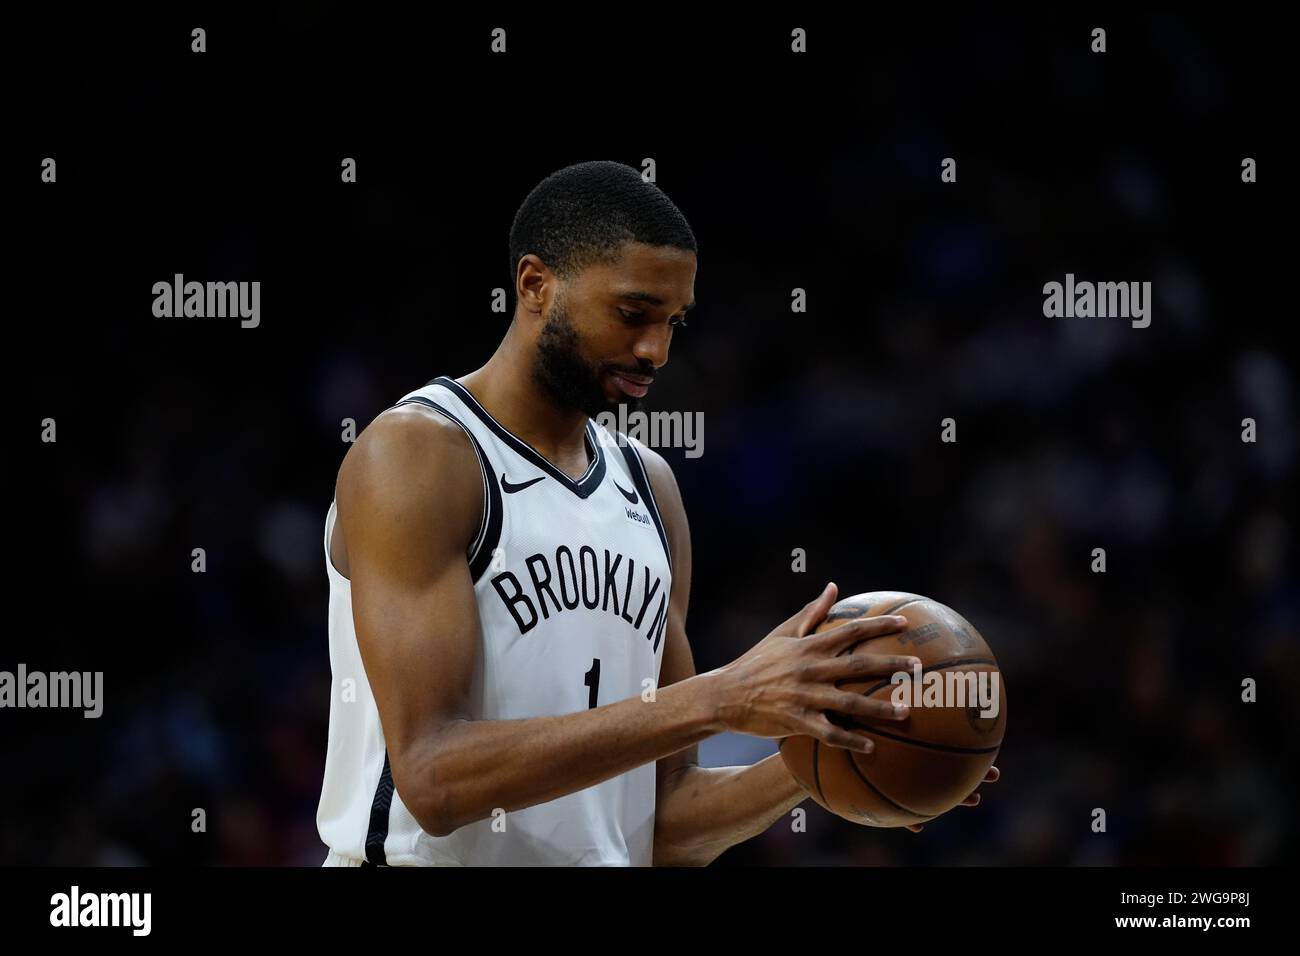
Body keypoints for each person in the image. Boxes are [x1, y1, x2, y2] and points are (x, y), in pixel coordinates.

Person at [316, 160, 996, 866]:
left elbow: (664, 822)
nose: (656, 351)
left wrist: (838, 754)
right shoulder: (420, 456)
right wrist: (721, 698)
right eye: (633, 313)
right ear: (535, 285)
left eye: (674, 322)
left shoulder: (650, 486)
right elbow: (433, 777)